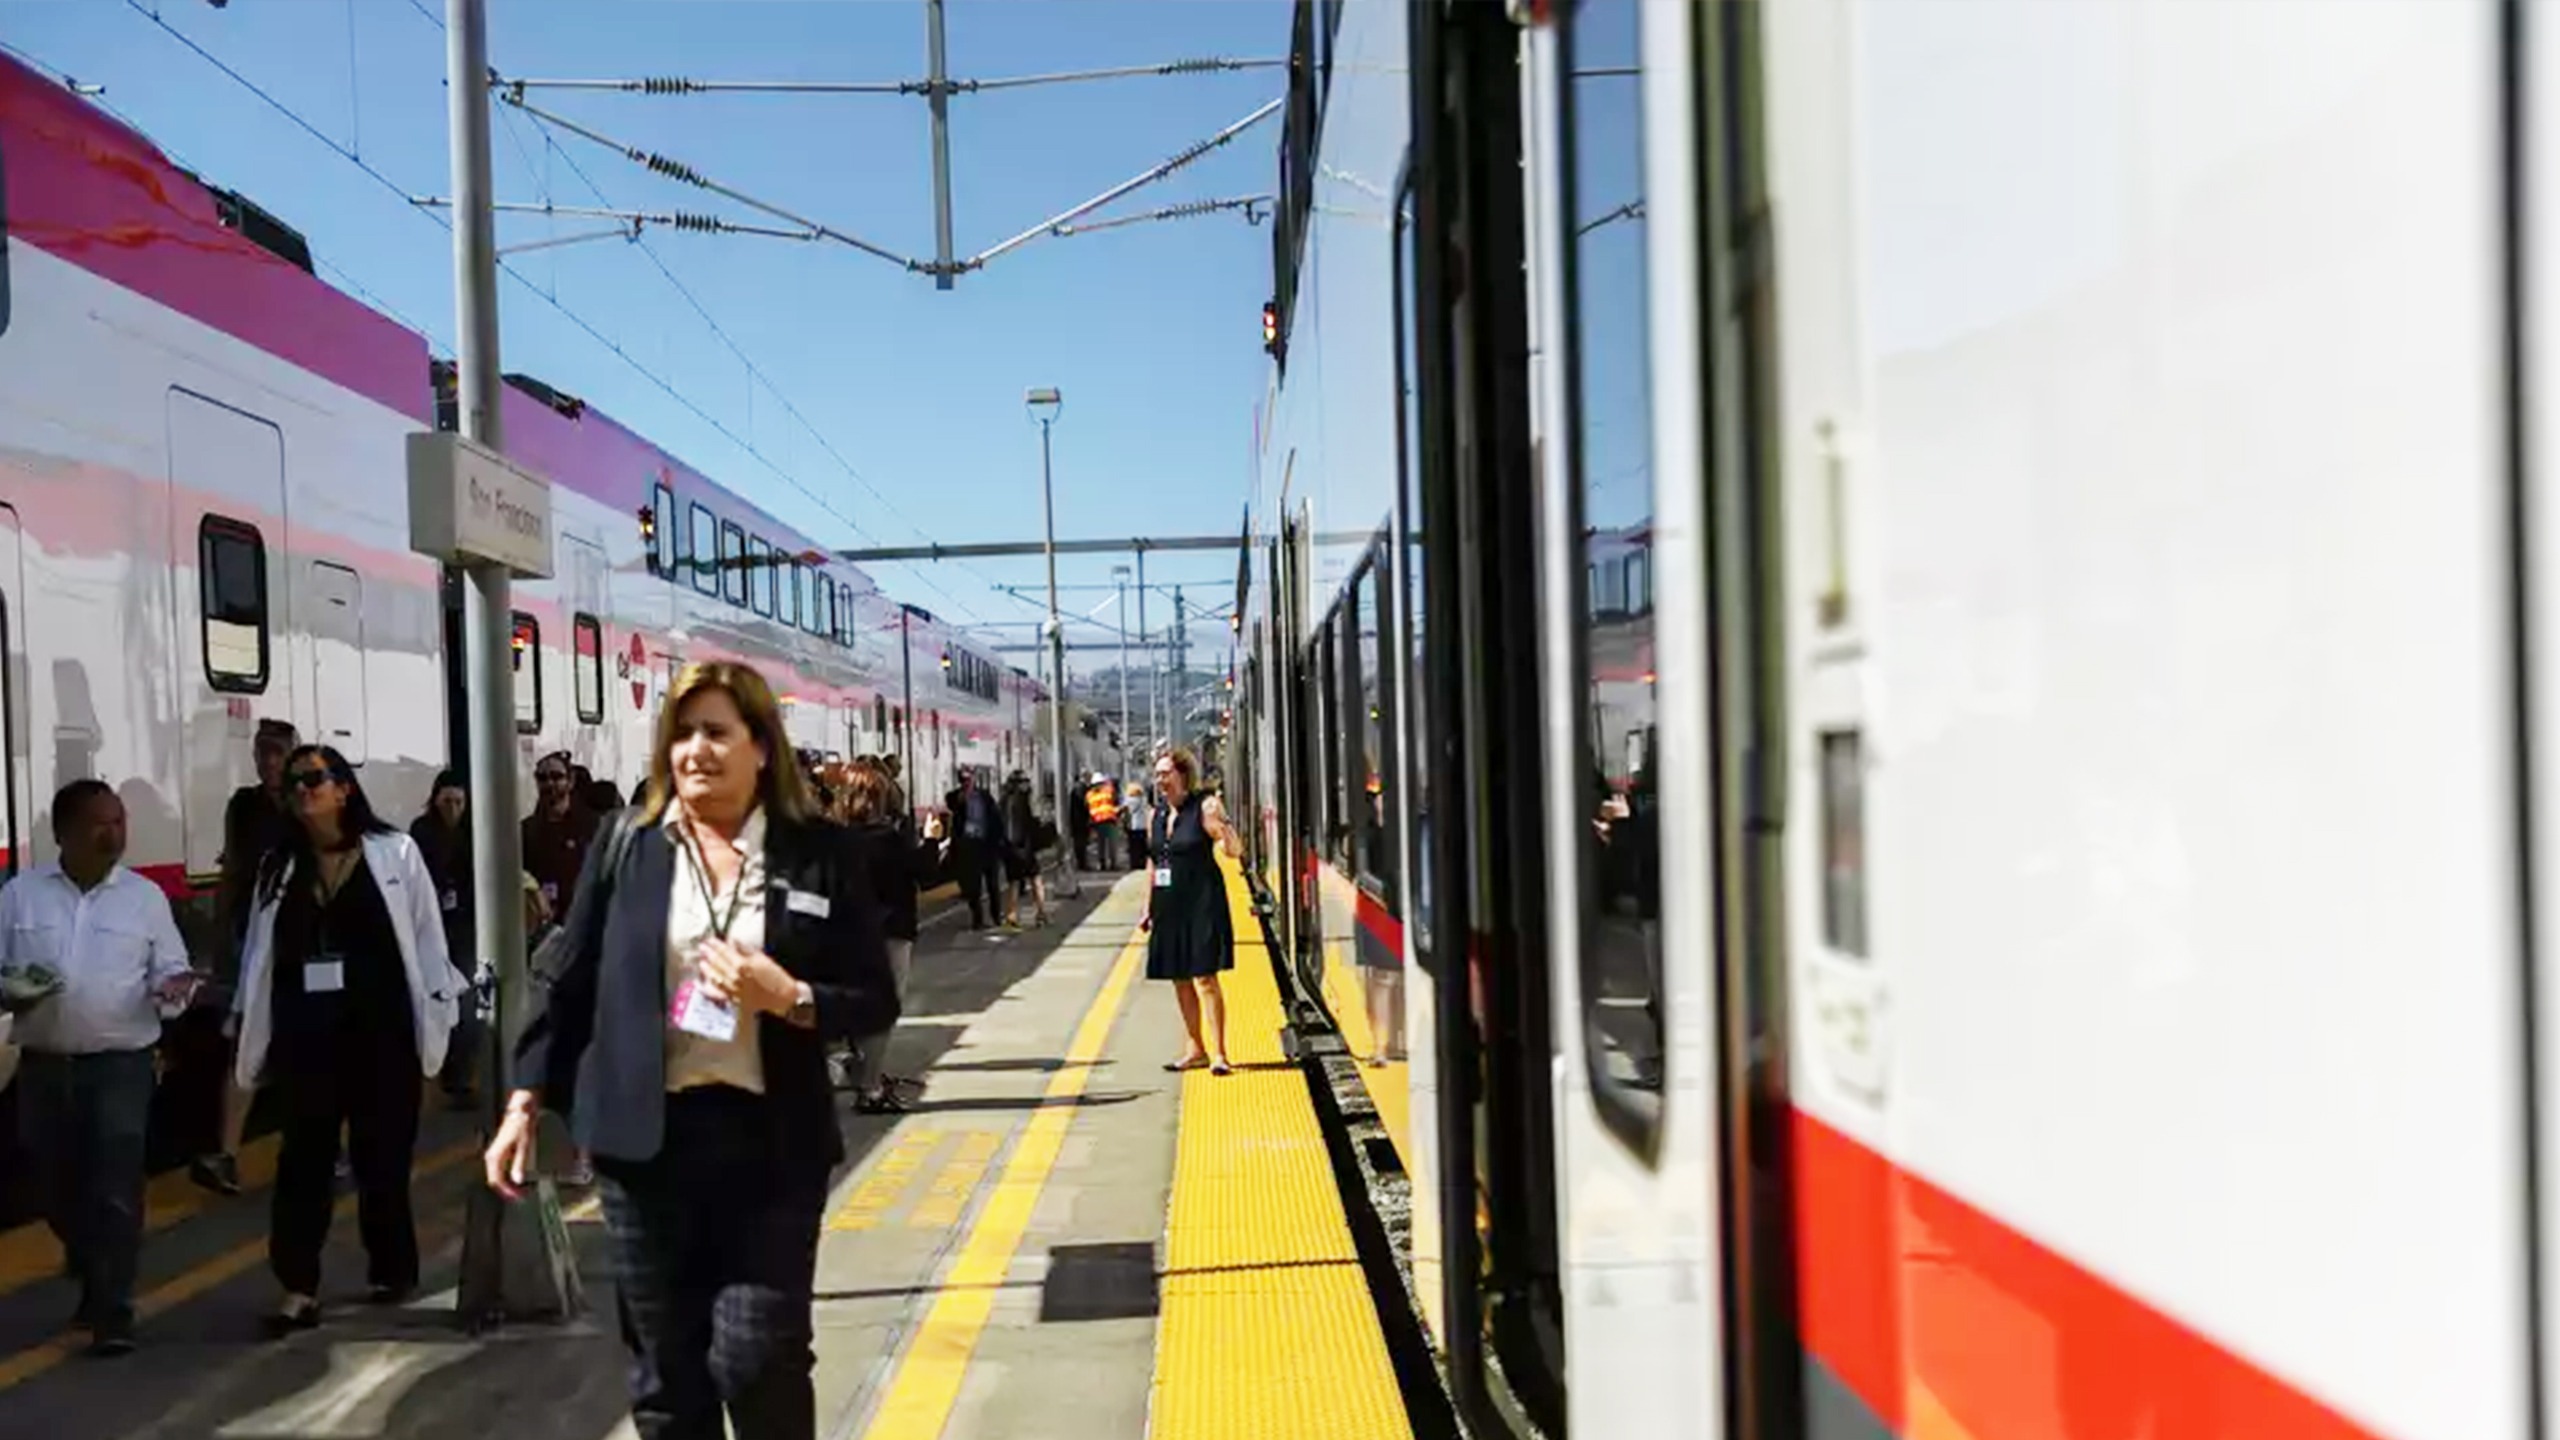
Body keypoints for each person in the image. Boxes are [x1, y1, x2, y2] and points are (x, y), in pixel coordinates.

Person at [490, 661, 897, 1440]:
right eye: (682, 733)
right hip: (646, 1150)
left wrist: (791, 996)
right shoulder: (627, 847)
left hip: (771, 1145)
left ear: (761, 747)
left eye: (717, 731)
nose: (696, 750)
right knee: (666, 1380)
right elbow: (565, 979)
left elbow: (875, 995)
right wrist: (523, 1100)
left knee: (759, 1357)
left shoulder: (818, 853)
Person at [234, 745, 465, 1333]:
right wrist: (245, 1018)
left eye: (314, 778)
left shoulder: (396, 854)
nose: (303, 790)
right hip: (307, 1037)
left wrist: (437, 1025)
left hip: (381, 1033)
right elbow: (262, 955)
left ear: (344, 789)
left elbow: (428, 942)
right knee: (303, 1163)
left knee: (382, 1157)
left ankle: (391, 1267)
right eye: (294, 783)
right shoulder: (279, 866)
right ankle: (297, 1286)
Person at [5, 780, 195, 1354]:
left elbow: (173, 967)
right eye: (99, 822)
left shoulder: (144, 898)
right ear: (62, 832)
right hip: (43, 1063)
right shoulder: (20, 894)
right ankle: (92, 1267)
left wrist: (173, 990)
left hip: (121, 1063)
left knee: (114, 1182)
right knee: (52, 1184)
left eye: (118, 821)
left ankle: (114, 1309)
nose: (113, 833)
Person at [195, 718, 299, 1197]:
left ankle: (320, 1144)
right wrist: (222, 929)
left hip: (303, 938)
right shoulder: (244, 806)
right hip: (252, 935)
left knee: (311, 1043)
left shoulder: (309, 801)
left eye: (276, 752)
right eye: (262, 752)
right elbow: (234, 866)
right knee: (246, 1041)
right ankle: (226, 1153)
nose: (267, 761)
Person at [840, 764, 935, 1114]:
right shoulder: (887, 839)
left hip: (847, 937)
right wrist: (933, 839)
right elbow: (926, 875)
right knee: (883, 1011)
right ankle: (870, 1088)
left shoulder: (836, 839)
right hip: (890, 934)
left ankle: (866, 1071)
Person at [1141, 748, 1241, 1076]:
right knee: (1180, 978)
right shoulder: (1154, 816)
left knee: (1204, 977)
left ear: (1183, 775)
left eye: (1166, 773)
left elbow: (1233, 851)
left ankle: (1219, 1054)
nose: (1160, 780)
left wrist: (1223, 823)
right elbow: (1153, 861)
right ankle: (1195, 1048)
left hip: (1202, 901)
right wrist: (1147, 908)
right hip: (1169, 905)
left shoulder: (1203, 808)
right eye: (1157, 774)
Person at [410, 772, 479, 1108]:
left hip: (463, 922)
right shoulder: (422, 832)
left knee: (464, 998)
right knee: (435, 993)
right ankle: (436, 1059)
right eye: (447, 801)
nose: (453, 809)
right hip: (433, 922)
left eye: (458, 802)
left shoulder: (473, 833)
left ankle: (460, 1075)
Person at [524, 751, 599, 923]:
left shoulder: (592, 826)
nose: (550, 783)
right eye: (543, 778)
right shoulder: (526, 830)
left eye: (557, 777)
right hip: (543, 924)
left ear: (570, 781)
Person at [999, 773, 1048, 928]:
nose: (1027, 786)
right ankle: (1040, 913)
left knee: (1014, 882)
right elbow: (1028, 824)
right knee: (1036, 879)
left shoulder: (1003, 801)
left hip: (1009, 849)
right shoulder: (1022, 800)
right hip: (1024, 848)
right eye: (1024, 783)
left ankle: (1011, 914)